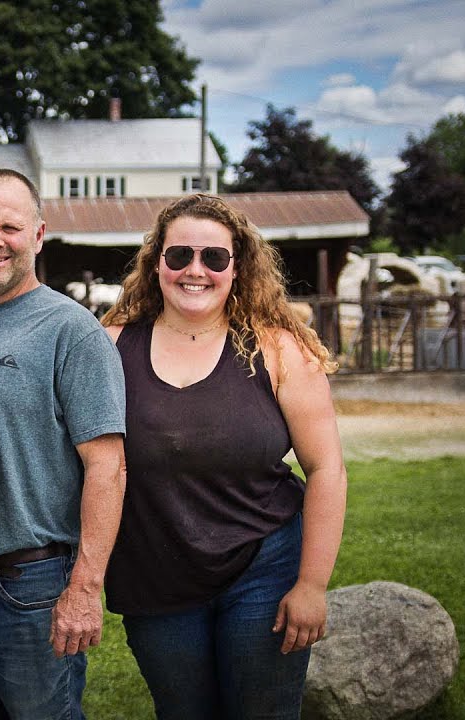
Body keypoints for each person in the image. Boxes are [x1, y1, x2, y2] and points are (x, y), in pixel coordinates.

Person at [99, 194, 347, 719]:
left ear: (238, 267)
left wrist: (311, 584)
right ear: (157, 263)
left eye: (214, 258)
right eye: (179, 255)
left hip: (265, 567)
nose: (196, 270)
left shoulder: (277, 350)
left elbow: (326, 468)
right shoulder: (109, 346)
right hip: (154, 575)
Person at [0, 168, 127, 719]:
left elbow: (108, 468)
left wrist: (85, 588)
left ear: (38, 235)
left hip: (35, 582)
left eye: (10, 227)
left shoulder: (73, 331)